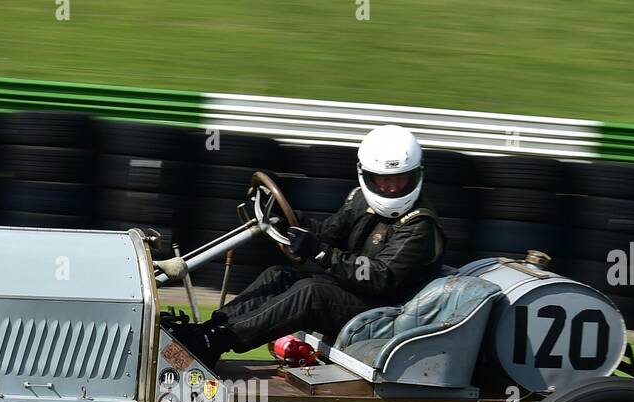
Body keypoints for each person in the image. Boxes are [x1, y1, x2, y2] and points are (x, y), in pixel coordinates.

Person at [171, 124, 445, 363]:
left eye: (400, 177)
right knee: (278, 275)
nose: (392, 187)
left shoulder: (419, 224)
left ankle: (220, 340)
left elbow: (379, 277)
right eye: (384, 179)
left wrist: (322, 253)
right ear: (368, 176)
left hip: (389, 310)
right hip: (359, 294)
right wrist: (289, 221)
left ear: (415, 174)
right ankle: (210, 330)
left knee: (311, 293)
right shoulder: (360, 200)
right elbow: (328, 233)